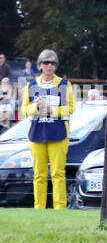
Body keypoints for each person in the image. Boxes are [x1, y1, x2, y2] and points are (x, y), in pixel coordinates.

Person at [21, 49, 75, 209]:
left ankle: (60, 208)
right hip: (37, 132)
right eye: (46, 62)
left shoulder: (65, 84)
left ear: (56, 66)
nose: (49, 65)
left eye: (52, 63)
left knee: (58, 173)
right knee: (39, 175)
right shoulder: (30, 85)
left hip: (58, 133)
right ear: (40, 65)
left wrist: (52, 110)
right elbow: (24, 110)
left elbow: (70, 109)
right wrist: (36, 106)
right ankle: (39, 208)